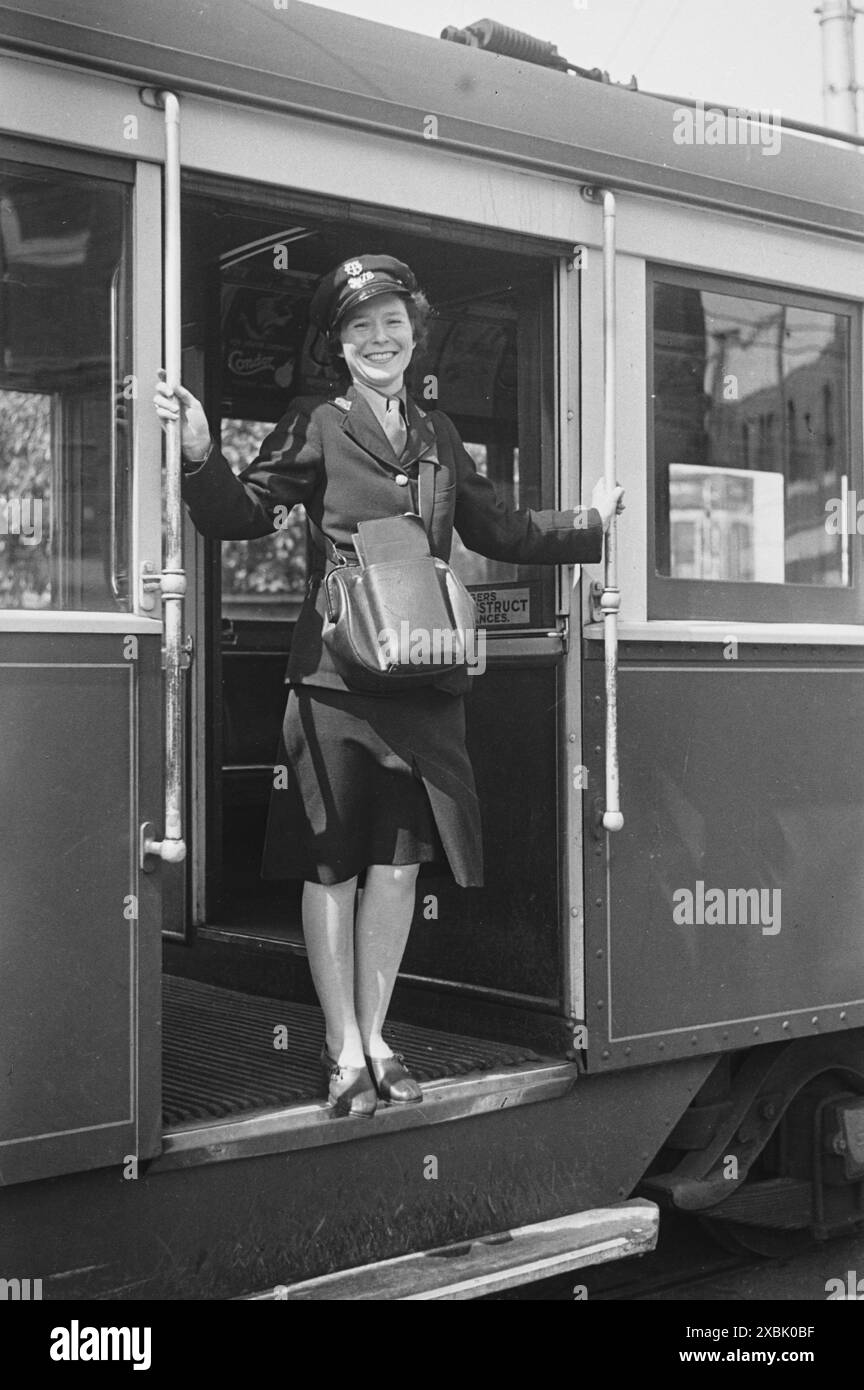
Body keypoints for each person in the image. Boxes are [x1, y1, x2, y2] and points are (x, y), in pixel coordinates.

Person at [154, 253, 623, 1119]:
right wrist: (198, 454)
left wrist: (591, 521)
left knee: (398, 870)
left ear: (415, 332)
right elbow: (243, 515)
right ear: (340, 344)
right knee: (331, 866)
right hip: (335, 681)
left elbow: (500, 527)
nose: (380, 338)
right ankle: (339, 1053)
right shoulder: (316, 422)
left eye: (392, 323)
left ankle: (378, 1035)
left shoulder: (439, 434)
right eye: (360, 327)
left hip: (424, 677)